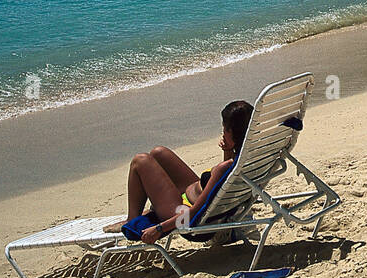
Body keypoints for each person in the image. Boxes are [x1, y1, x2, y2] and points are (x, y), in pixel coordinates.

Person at [104, 100, 254, 242]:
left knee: (140, 161)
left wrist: (159, 228)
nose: (222, 132)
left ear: (231, 132)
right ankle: (154, 209)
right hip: (195, 199)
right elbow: (223, 184)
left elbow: (196, 212)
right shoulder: (245, 160)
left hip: (188, 217)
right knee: (159, 153)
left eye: (224, 129)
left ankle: (132, 219)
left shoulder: (224, 168)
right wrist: (228, 150)